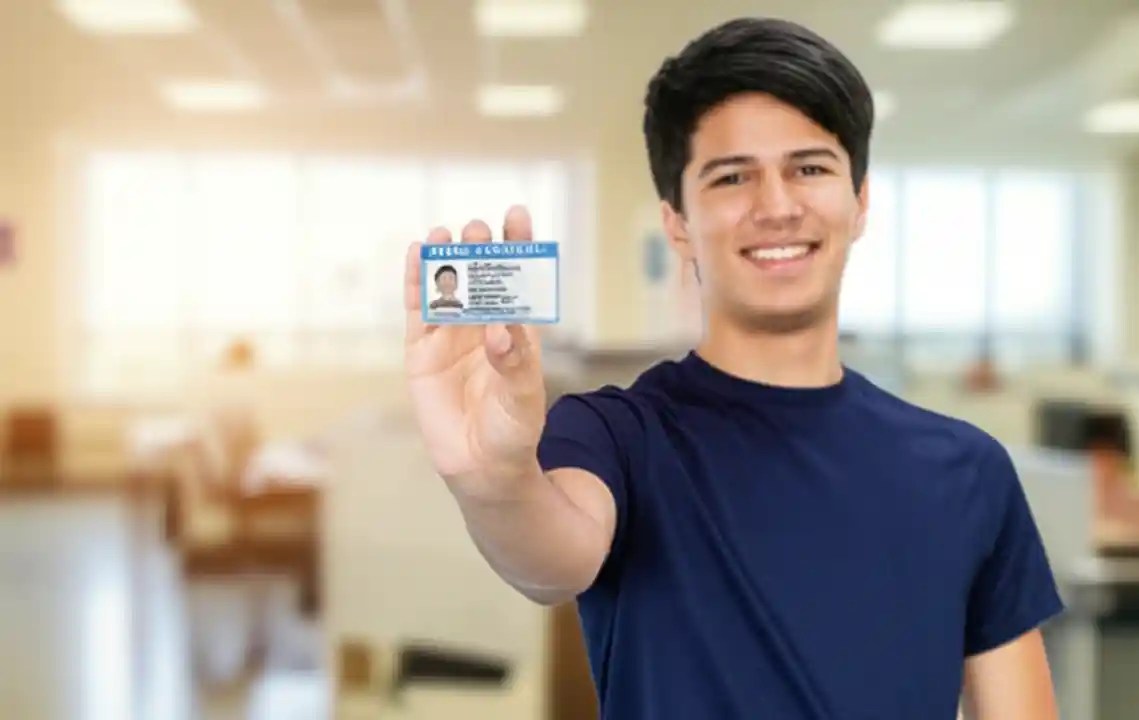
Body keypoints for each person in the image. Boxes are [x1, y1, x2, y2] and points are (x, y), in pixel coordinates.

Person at [403, 17, 1063, 720]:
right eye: (731, 177)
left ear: (860, 201)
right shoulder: (618, 436)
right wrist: (494, 483)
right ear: (678, 222)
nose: (776, 206)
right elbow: (551, 557)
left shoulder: (969, 469)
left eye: (809, 168)